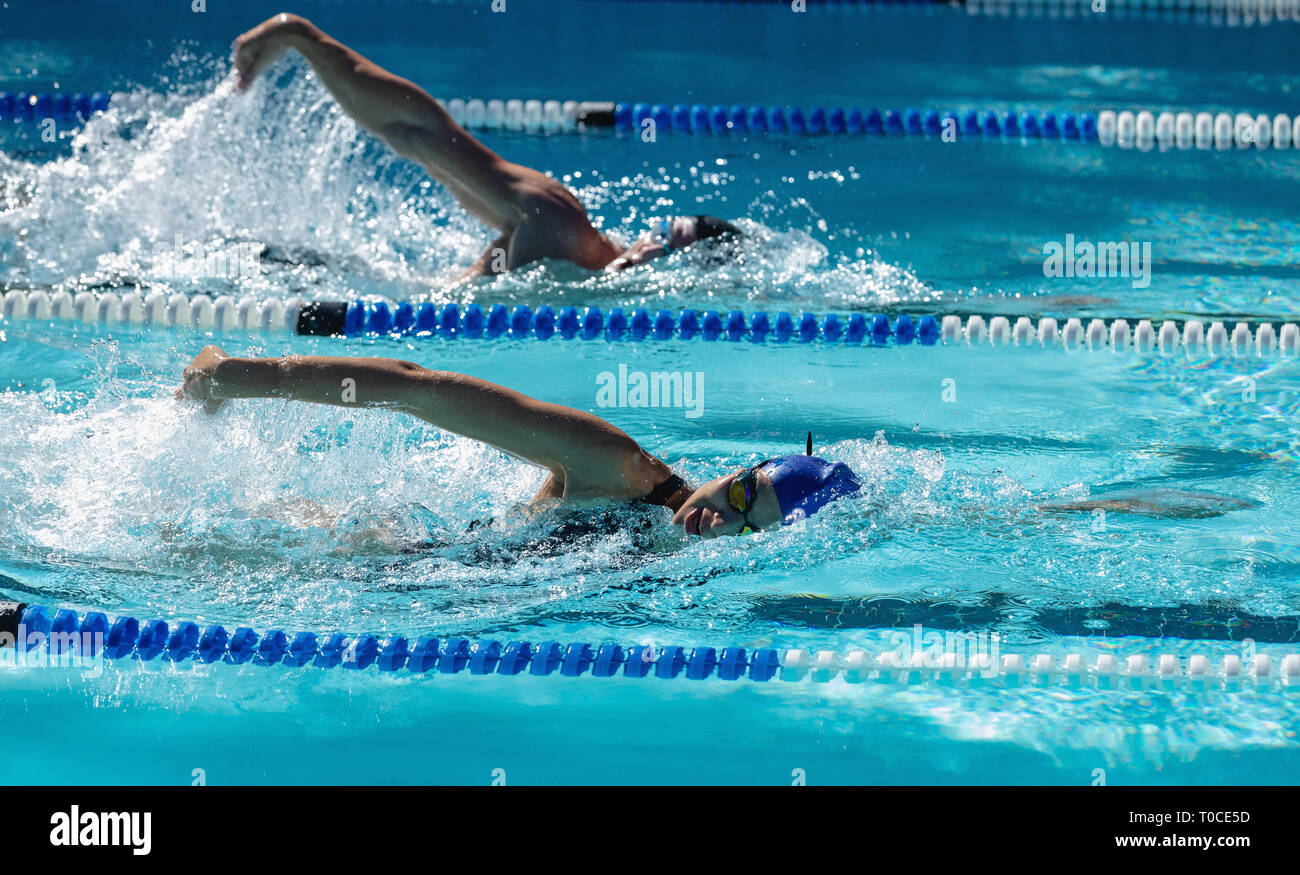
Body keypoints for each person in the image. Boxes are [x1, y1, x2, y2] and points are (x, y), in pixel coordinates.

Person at [231, 12, 742, 282]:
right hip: (525, 203)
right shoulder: (560, 234)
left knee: (408, 136)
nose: (652, 244)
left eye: (666, 245)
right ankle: (297, 32)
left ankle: (287, 261)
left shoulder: (568, 250)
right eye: (664, 237)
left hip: (507, 204)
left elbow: (480, 277)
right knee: (422, 131)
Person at [175, 346, 862, 539]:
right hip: (381, 558)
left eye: (746, 526)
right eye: (739, 491)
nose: (719, 516)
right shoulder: (616, 466)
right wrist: (239, 377)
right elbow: (419, 387)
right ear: (737, 469)